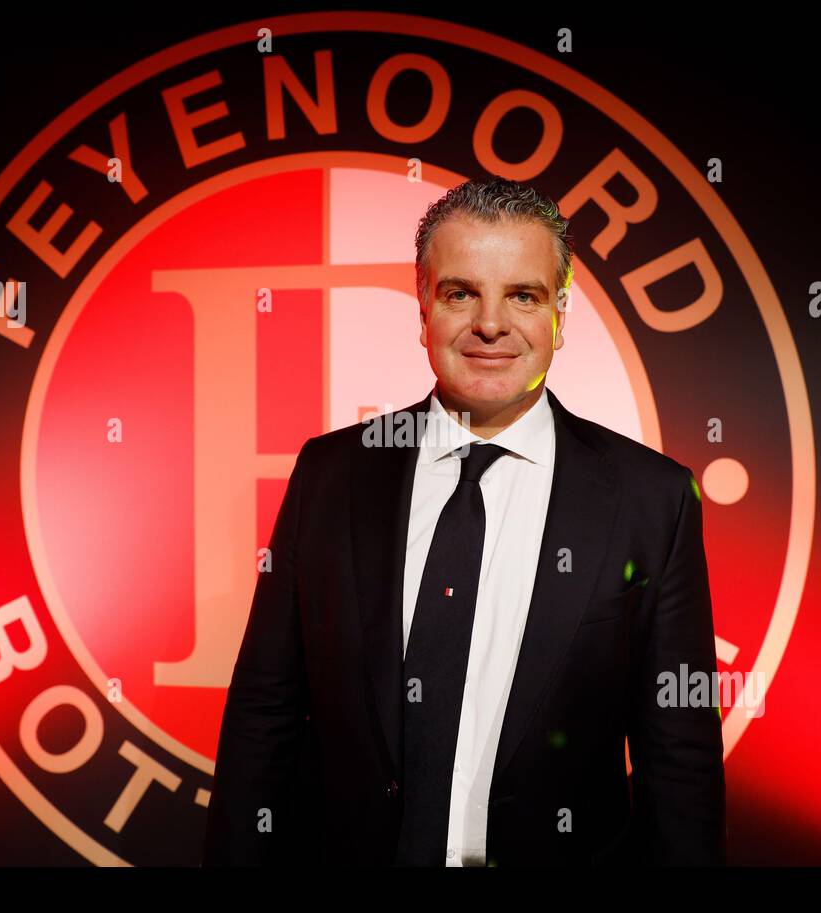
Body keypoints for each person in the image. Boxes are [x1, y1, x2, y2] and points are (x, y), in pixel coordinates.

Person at [203, 175, 725, 866]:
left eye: (523, 295)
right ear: (423, 309)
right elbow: (263, 716)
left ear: (560, 315)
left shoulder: (651, 498)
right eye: (460, 293)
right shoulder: (331, 473)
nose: (490, 323)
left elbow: (679, 757)